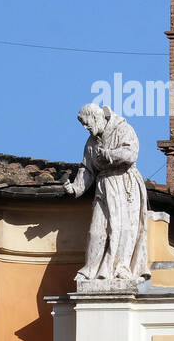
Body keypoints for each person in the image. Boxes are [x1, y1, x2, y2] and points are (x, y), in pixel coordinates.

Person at [64, 104, 150, 283]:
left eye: (86, 123)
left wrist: (110, 155)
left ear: (96, 118)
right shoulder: (91, 142)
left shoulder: (123, 129)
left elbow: (131, 153)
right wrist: (75, 188)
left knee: (125, 228)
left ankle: (121, 268)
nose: (85, 128)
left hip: (125, 183)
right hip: (103, 186)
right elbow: (87, 168)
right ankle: (90, 270)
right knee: (96, 230)